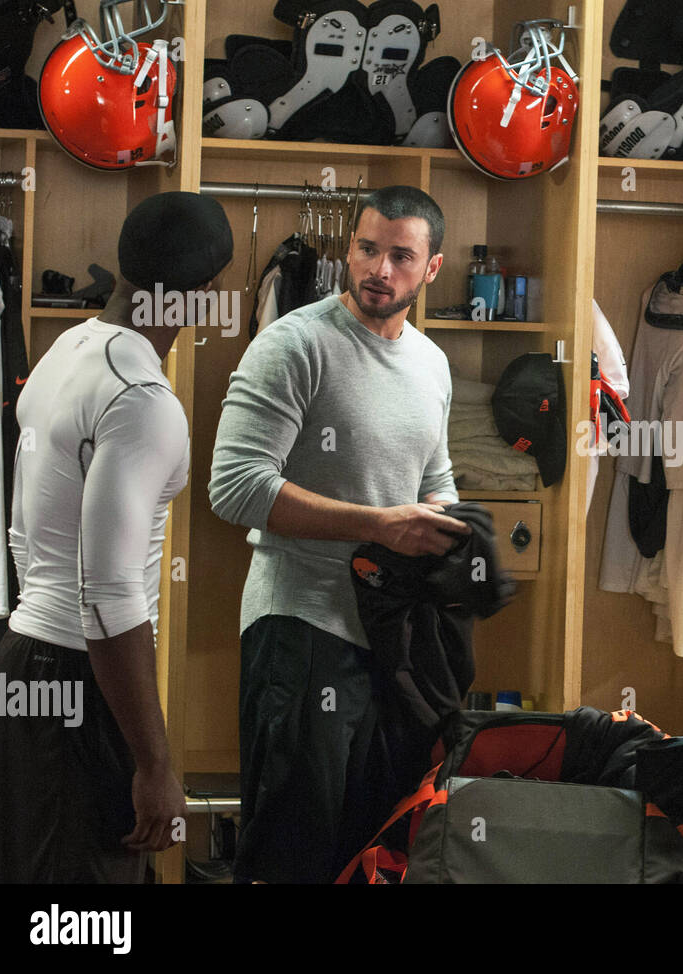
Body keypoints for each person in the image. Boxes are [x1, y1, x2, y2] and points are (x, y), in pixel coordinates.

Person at [209, 184, 469, 884]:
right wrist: (378, 525)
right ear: (348, 249)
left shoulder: (430, 362)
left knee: (375, 848)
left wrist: (449, 522)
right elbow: (234, 486)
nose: (379, 269)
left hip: (390, 639)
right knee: (293, 851)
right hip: (300, 624)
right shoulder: (294, 344)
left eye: (401, 256)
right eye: (367, 248)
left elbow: (434, 474)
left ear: (432, 269)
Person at [0, 191, 234, 882]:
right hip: (80, 667)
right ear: (202, 294)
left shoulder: (64, 351)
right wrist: (157, 764)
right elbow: (107, 593)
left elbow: (22, 535)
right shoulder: (142, 401)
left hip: (26, 656)